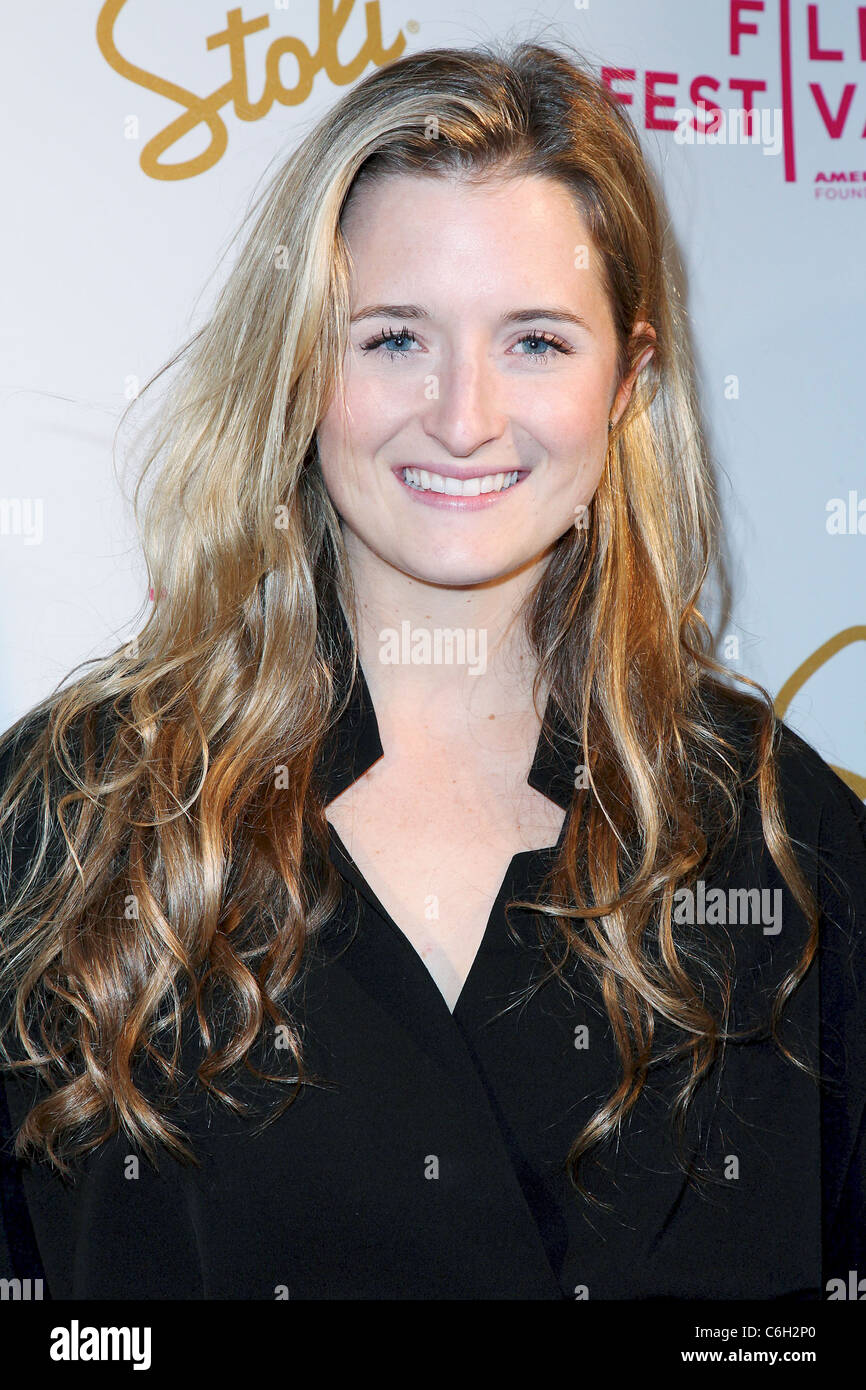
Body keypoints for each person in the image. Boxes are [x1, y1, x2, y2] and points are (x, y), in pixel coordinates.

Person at [1, 39, 864, 1301]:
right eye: (395, 339)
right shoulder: (70, 819)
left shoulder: (786, 843)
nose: (462, 417)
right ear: (302, 365)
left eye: (534, 343)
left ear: (628, 382)